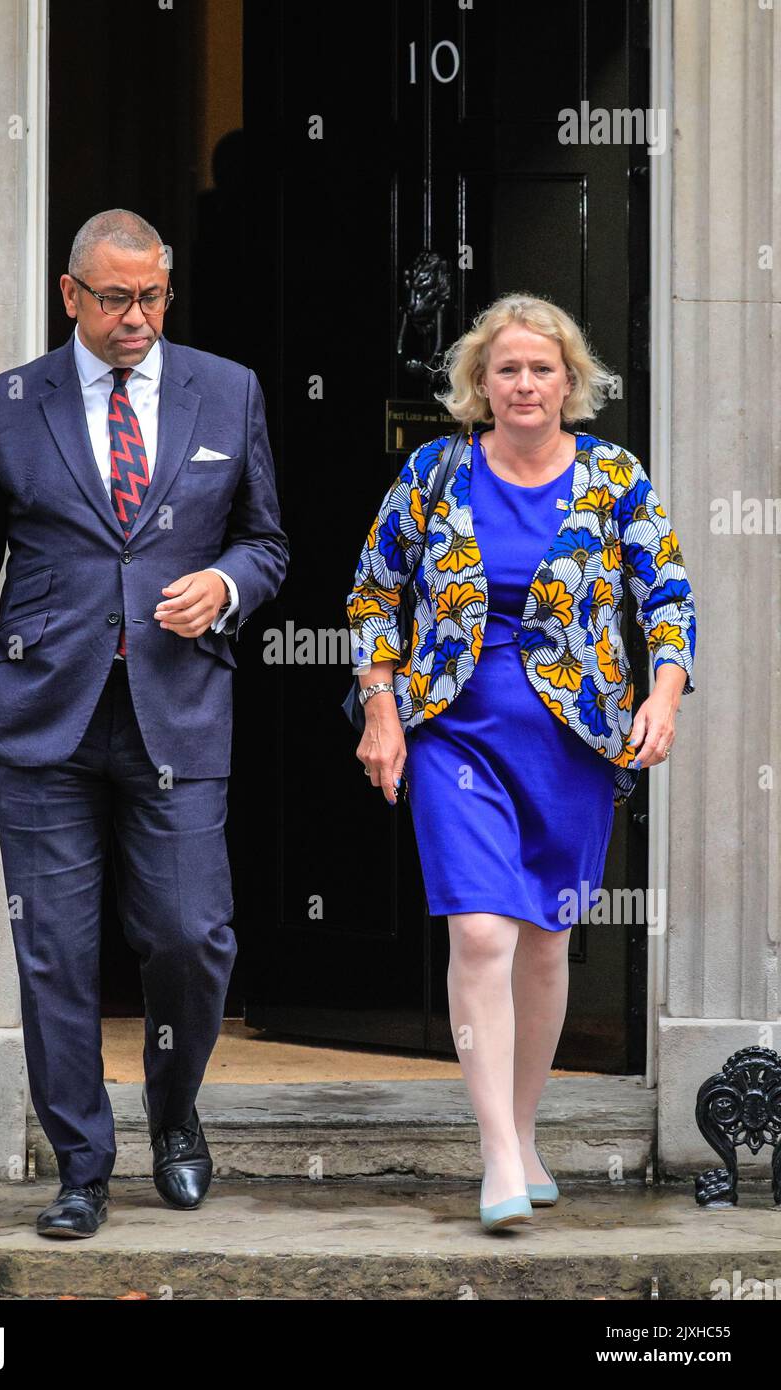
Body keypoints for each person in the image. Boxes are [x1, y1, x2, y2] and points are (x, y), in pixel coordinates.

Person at [0, 208, 289, 1238]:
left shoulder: (229, 388)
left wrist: (222, 582)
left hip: (178, 713)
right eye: (117, 297)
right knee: (56, 954)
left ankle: (175, 1115)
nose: (138, 317)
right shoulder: (10, 405)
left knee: (189, 935)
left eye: (154, 295)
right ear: (70, 294)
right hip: (44, 723)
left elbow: (267, 542)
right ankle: (82, 1163)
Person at [345, 293, 696, 1232]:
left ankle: (526, 1132)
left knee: (543, 940)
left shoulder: (614, 477)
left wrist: (662, 697)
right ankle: (497, 1152)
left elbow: (666, 595)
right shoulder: (433, 472)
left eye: (543, 369)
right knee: (482, 935)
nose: (526, 384)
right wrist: (382, 709)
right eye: (507, 369)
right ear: (479, 383)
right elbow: (374, 598)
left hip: (574, 742)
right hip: (454, 734)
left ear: (571, 381)